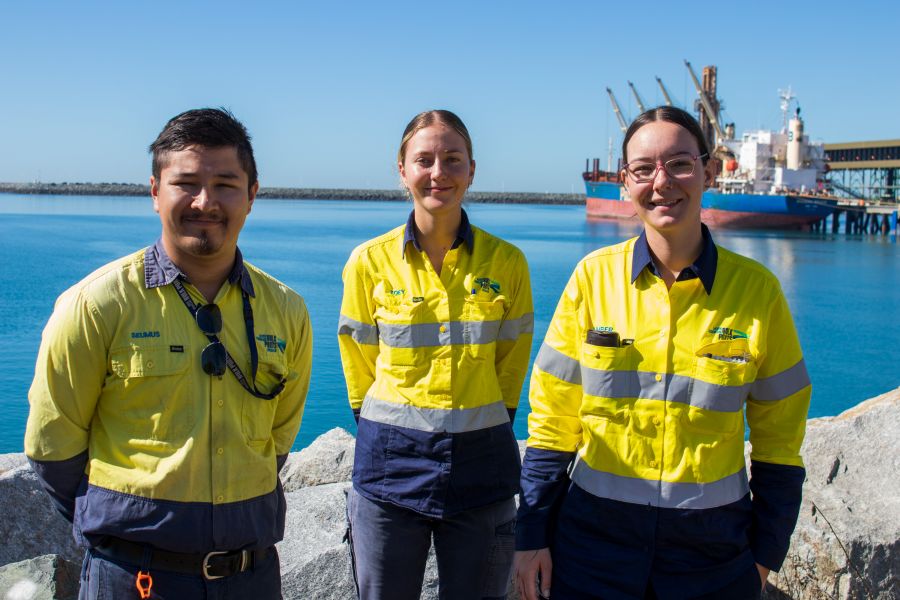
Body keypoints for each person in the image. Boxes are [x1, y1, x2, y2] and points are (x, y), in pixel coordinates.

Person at [514, 106, 811, 600]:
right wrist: (530, 536)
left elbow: (780, 441)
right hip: (593, 550)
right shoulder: (592, 280)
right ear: (625, 182)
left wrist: (763, 558)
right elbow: (552, 423)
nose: (662, 182)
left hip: (712, 557)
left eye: (679, 164)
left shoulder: (758, 292)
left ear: (707, 171)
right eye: (644, 169)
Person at [25, 108, 312, 599]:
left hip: (251, 576)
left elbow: (278, 439)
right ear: (155, 191)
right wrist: (127, 529)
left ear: (252, 194)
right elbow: (53, 446)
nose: (205, 202)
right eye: (186, 183)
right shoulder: (98, 304)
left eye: (225, 184)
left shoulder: (286, 310)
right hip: (134, 578)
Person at [338, 109, 534, 600]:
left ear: (472, 170)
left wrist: (489, 419)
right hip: (390, 467)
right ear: (402, 170)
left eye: (452, 159)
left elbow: (512, 362)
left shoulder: (507, 262)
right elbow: (358, 361)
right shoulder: (369, 262)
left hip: (483, 466)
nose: (438, 172)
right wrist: (383, 429)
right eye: (424, 160)